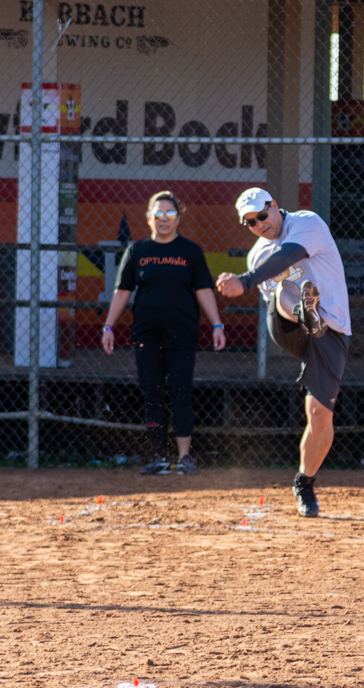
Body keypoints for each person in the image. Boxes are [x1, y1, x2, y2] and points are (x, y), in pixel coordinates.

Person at [215, 188, 351, 518]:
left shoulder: (306, 222)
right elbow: (273, 294)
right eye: (250, 222)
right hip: (289, 325)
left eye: (262, 215)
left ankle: (304, 482)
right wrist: (256, 281)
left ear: (274, 206)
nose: (259, 225)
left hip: (331, 329)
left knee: (320, 414)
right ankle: (306, 312)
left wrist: (245, 281)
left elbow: (289, 254)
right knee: (285, 289)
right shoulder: (257, 256)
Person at [101, 191, 226, 475]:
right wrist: (108, 326)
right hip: (147, 335)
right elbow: (122, 292)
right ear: (149, 218)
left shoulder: (191, 251)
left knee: (180, 392)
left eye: (170, 214)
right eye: (158, 214)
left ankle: (184, 457)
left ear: (178, 218)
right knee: (152, 394)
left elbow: (204, 290)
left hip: (182, 335)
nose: (164, 219)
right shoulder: (137, 250)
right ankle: (159, 457)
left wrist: (217, 324)